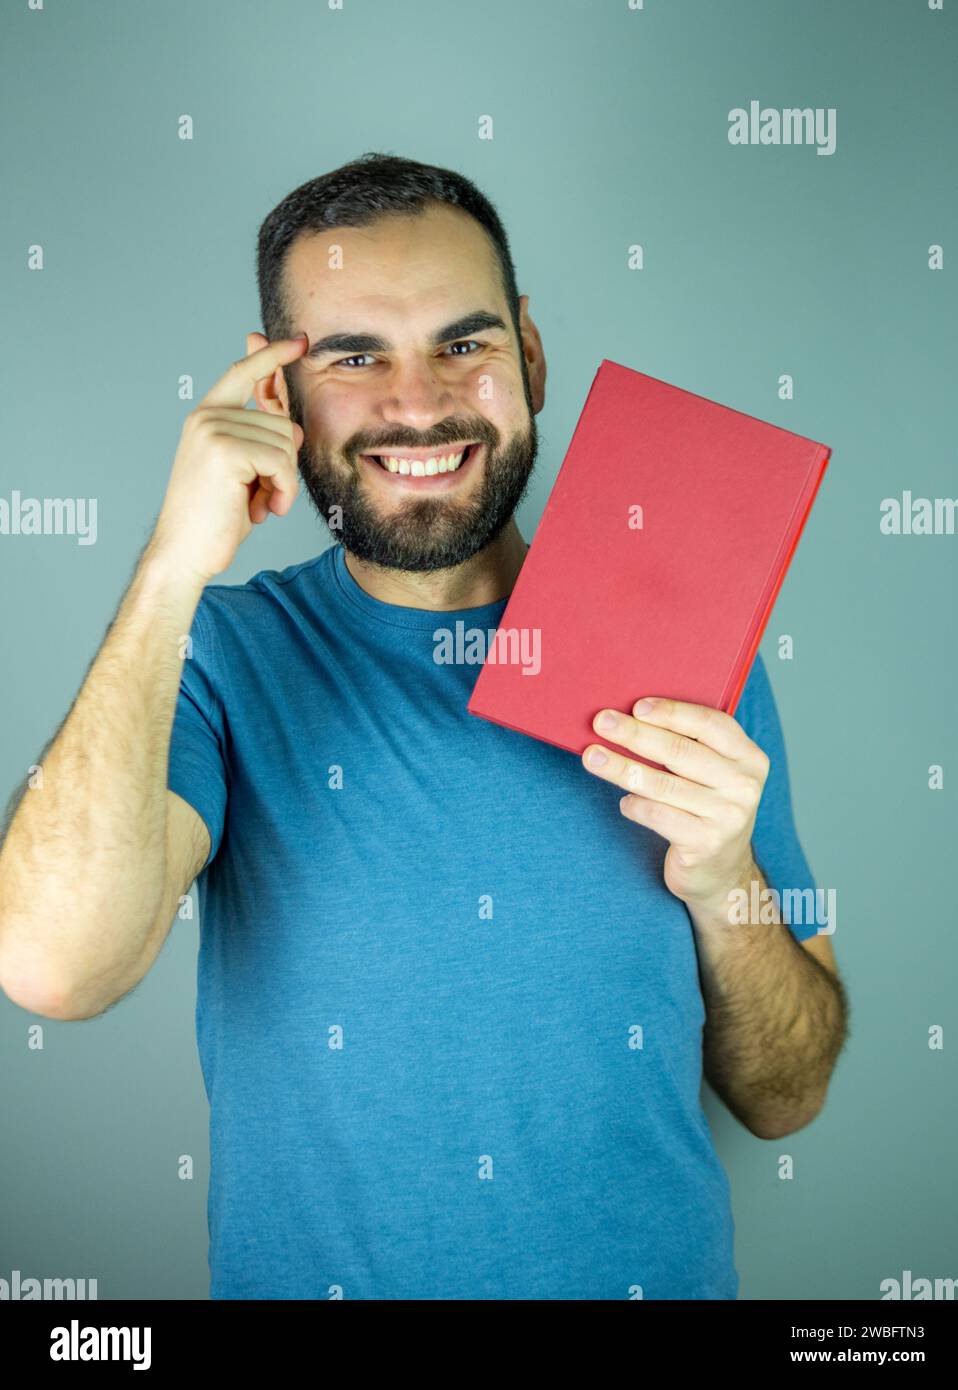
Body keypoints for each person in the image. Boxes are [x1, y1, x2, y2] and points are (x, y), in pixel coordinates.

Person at [0, 153, 848, 1300]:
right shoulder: (214, 654)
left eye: (466, 342)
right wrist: (171, 566)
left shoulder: (699, 657)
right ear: (275, 398)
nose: (418, 402)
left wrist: (724, 879)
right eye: (353, 356)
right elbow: (52, 967)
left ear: (529, 355)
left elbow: (787, 1095)